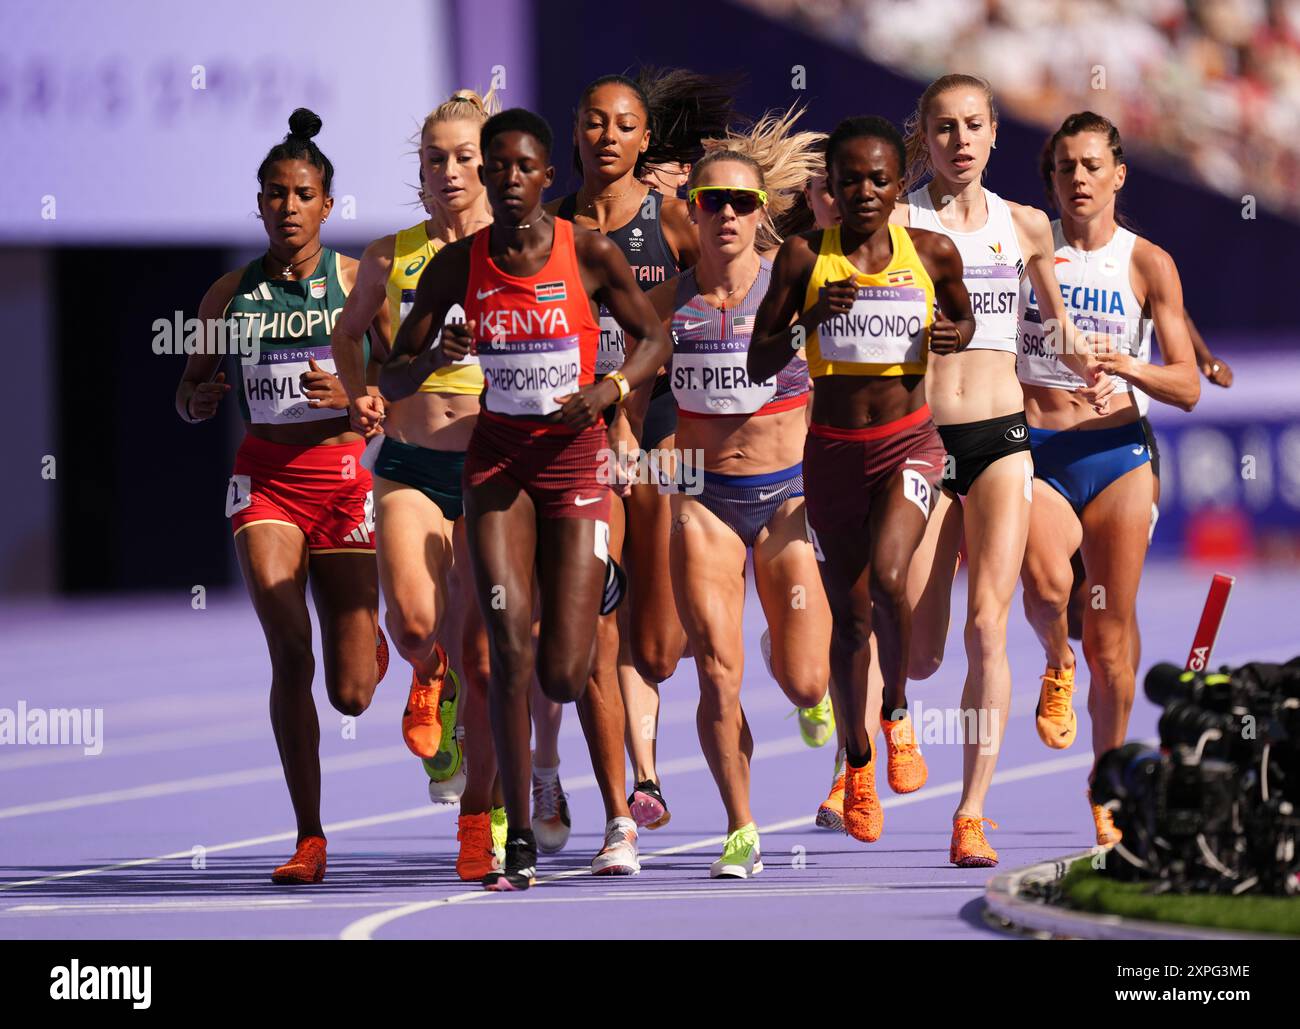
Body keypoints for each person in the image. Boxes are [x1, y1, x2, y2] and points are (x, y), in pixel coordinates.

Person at [381, 108, 673, 891]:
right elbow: (395, 371)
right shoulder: (457, 266)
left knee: (563, 666)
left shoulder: (590, 252)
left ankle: (597, 798)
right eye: (496, 167)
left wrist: (607, 389)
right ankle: (514, 839)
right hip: (498, 467)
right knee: (505, 652)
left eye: (523, 167)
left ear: (548, 177)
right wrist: (429, 351)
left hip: (575, 465)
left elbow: (654, 341)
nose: (507, 179)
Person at [888, 74, 1115, 865]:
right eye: (944, 126)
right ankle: (894, 707)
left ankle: (972, 813)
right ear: (927, 134)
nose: (958, 140)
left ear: (993, 136)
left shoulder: (1024, 226)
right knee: (920, 652)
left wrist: (1087, 359)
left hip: (999, 438)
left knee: (992, 621)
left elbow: (1055, 322)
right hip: (919, 442)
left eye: (973, 125)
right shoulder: (894, 220)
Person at [748, 115, 976, 844]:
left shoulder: (932, 252)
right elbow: (758, 362)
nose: (867, 191)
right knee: (847, 622)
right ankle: (858, 762)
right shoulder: (801, 255)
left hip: (909, 444)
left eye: (881, 177)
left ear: (899, 181)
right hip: (832, 453)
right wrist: (811, 314)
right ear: (831, 189)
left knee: (888, 577)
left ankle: (899, 711)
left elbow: (965, 319)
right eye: (851, 180)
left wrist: (954, 333)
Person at [176, 109, 388, 884]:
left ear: (327, 205)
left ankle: (375, 644)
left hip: (341, 483)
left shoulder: (360, 282)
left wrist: (366, 400)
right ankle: (309, 835)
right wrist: (196, 402)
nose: (287, 206)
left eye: (302, 193)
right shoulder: (229, 294)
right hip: (263, 480)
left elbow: (401, 383)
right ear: (258, 202)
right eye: (274, 193)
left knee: (354, 693)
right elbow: (189, 389)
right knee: (287, 649)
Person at [330, 89, 507, 881]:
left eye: (465, 156)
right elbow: (347, 331)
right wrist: (362, 388)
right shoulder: (386, 254)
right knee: (411, 622)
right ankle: (422, 677)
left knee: (484, 648)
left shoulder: (523, 249)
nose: (449, 170)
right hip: (408, 459)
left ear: (493, 163)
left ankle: (484, 796)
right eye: (434, 159)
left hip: (492, 467)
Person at [549, 68, 733, 829]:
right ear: (577, 130)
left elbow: (738, 288)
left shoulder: (675, 221)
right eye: (596, 122)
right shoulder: (551, 227)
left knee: (657, 648)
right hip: (574, 436)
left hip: (659, 431)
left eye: (626, 125)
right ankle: (617, 797)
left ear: (645, 139)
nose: (610, 137)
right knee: (591, 616)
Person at [649, 111, 830, 879]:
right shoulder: (666, 307)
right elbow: (626, 405)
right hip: (706, 501)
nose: (726, 213)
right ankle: (741, 823)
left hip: (789, 499)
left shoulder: (800, 291)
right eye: (712, 200)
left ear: (764, 215)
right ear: (692, 209)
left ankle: (800, 676)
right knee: (714, 667)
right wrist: (638, 464)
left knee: (806, 679)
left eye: (741, 202)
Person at [1018, 111, 1200, 846]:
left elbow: (1186, 385)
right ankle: (1056, 661)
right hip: (1037, 445)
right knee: (1045, 585)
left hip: (1119, 452)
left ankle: (1108, 788)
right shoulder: (1028, 248)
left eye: (1092, 166)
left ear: (1118, 175)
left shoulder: (1148, 262)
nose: (1079, 179)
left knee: (1114, 639)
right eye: (1065, 167)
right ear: (1051, 179)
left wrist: (1129, 366)